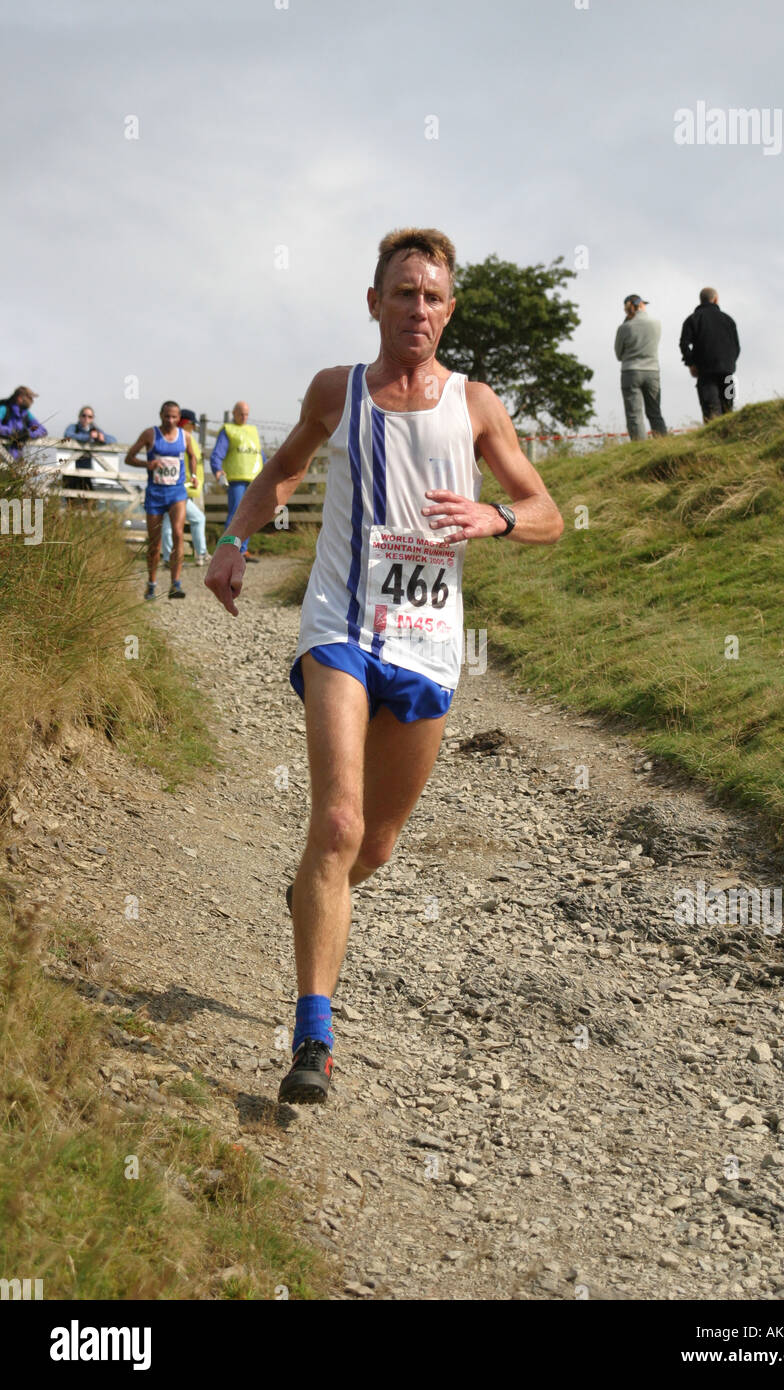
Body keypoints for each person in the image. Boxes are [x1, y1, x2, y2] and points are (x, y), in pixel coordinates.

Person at [205, 226, 563, 1105]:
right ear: (374, 303)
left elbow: (545, 507)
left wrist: (499, 521)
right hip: (339, 627)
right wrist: (232, 541)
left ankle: (311, 899)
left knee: (376, 844)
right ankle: (314, 1038)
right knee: (337, 823)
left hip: (428, 641)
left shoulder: (476, 405)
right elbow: (282, 471)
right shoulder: (338, 390)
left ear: (450, 310)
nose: (419, 309)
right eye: (403, 293)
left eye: (434, 296)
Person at [125, 400, 196, 600]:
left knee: (178, 534)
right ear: (160, 415)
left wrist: (194, 476)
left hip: (176, 492)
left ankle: (176, 584)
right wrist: (147, 463)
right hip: (155, 493)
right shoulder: (150, 434)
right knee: (154, 543)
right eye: (167, 416)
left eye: (175, 417)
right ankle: (152, 584)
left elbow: (192, 457)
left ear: (179, 417)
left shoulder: (185, 436)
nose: (171, 420)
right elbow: (129, 458)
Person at [209, 401, 265, 562]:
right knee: (235, 515)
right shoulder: (228, 430)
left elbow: (259, 454)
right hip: (236, 480)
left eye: (246, 414)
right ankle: (227, 550)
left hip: (254, 479)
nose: (244, 417)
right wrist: (217, 469)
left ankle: (243, 550)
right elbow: (217, 453)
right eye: (241, 413)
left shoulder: (253, 431)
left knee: (251, 515)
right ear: (234, 413)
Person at [679, 288, 741, 421]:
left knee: (712, 411)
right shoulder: (728, 320)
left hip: (705, 373)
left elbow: (684, 344)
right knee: (729, 409)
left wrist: (691, 364)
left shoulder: (693, 319)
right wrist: (730, 362)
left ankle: (715, 440)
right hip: (728, 373)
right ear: (716, 299)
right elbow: (736, 347)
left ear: (701, 300)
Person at [614, 295, 668, 441]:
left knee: (634, 415)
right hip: (652, 371)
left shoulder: (624, 328)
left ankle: (640, 447)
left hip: (630, 372)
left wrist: (627, 321)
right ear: (641, 305)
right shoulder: (656, 323)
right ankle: (664, 443)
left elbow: (619, 355)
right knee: (655, 412)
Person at [161, 408, 208, 566]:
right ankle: (200, 554)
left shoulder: (179, 438)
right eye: (192, 425)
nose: (194, 428)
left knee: (169, 522)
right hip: (177, 489)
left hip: (178, 488)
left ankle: (169, 558)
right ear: (186, 423)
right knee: (197, 519)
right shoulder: (180, 439)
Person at [63, 406, 118, 491]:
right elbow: (68, 435)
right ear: (79, 417)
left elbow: (113, 440)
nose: (86, 419)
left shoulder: (95, 430)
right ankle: (37, 503)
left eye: (90, 417)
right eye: (84, 415)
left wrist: (102, 438)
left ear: (93, 419)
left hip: (86, 471)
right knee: (69, 499)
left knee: (89, 502)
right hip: (69, 470)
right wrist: (88, 437)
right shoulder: (73, 427)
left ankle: (37, 503)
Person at [0, 386, 48, 458]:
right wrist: (14, 433)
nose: (32, 401)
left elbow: (42, 430)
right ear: (19, 398)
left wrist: (28, 433)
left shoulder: (26, 414)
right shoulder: (4, 408)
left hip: (16, 460)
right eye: (30, 398)